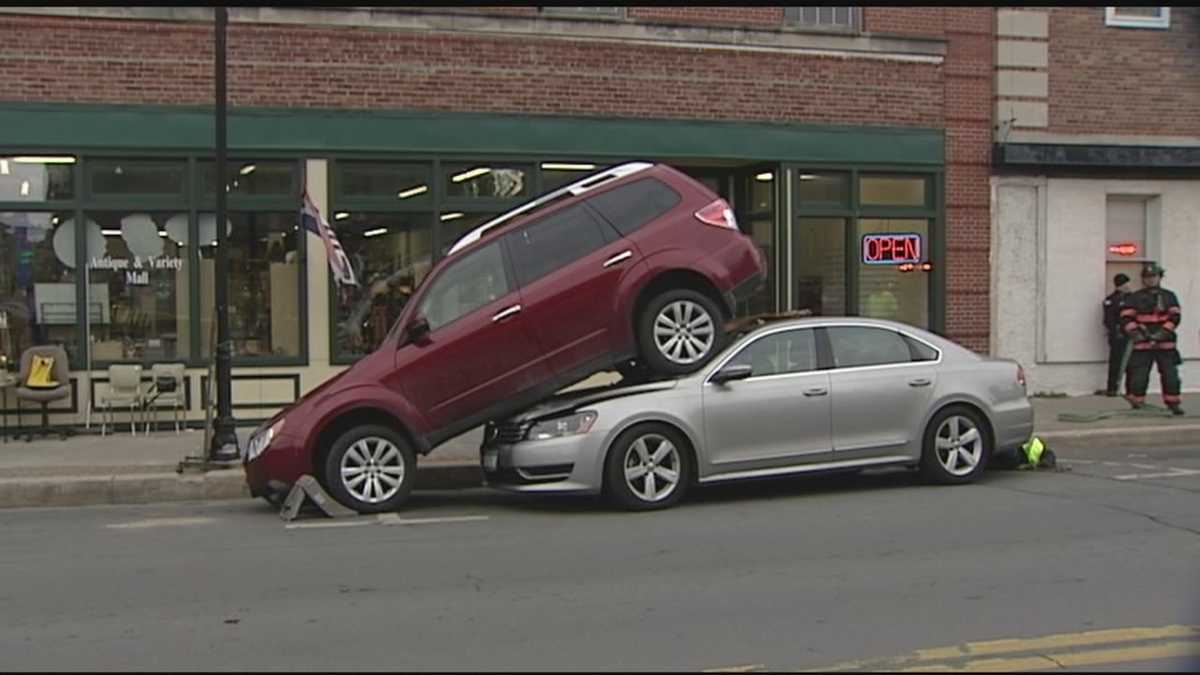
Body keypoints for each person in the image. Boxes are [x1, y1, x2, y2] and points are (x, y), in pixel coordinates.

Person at [1118, 262, 1184, 415]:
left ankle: (1173, 403)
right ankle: (1137, 403)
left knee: (1170, 375)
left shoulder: (1169, 296)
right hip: (1143, 344)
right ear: (1143, 279)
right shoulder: (1134, 297)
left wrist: (1162, 333)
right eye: (1147, 277)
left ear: (1159, 277)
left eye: (1153, 276)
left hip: (1165, 344)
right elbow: (1126, 318)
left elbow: (1175, 317)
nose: (1150, 280)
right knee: (1139, 375)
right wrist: (1136, 334)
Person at [1102, 273, 1132, 396]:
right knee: (1116, 362)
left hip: (1131, 335)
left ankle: (1131, 389)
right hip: (1117, 335)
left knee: (1131, 364)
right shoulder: (1110, 300)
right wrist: (1116, 331)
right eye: (1126, 284)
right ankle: (1112, 388)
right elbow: (1108, 319)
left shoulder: (1132, 298)